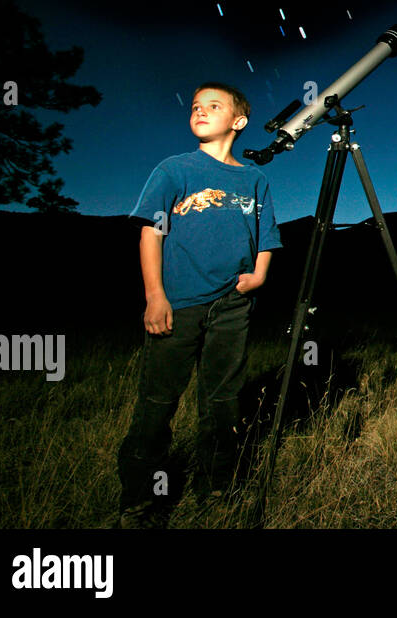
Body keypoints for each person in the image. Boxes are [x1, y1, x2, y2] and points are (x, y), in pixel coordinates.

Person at [117, 82, 282, 526]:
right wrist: (155, 296)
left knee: (222, 402)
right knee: (158, 402)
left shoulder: (254, 179)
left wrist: (261, 274)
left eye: (213, 106)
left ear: (238, 121)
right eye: (195, 106)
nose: (200, 111)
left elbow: (267, 234)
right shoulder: (174, 170)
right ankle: (139, 500)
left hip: (232, 305)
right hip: (178, 303)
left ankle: (216, 488)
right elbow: (151, 231)